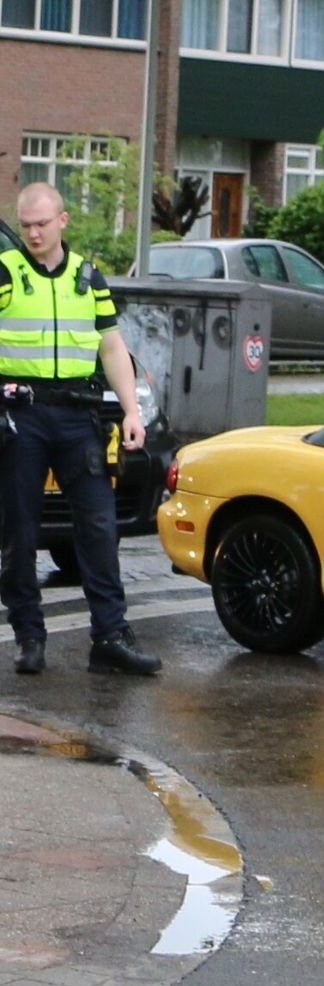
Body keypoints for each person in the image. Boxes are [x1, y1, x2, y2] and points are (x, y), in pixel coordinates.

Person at [0, 183, 162, 677]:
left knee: (98, 526)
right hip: (20, 416)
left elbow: (112, 347)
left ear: (63, 221)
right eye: (25, 225)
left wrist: (132, 411)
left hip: (78, 417)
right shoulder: (4, 272)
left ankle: (110, 637)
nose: (32, 233)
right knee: (19, 531)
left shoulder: (88, 278)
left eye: (42, 224)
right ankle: (29, 636)